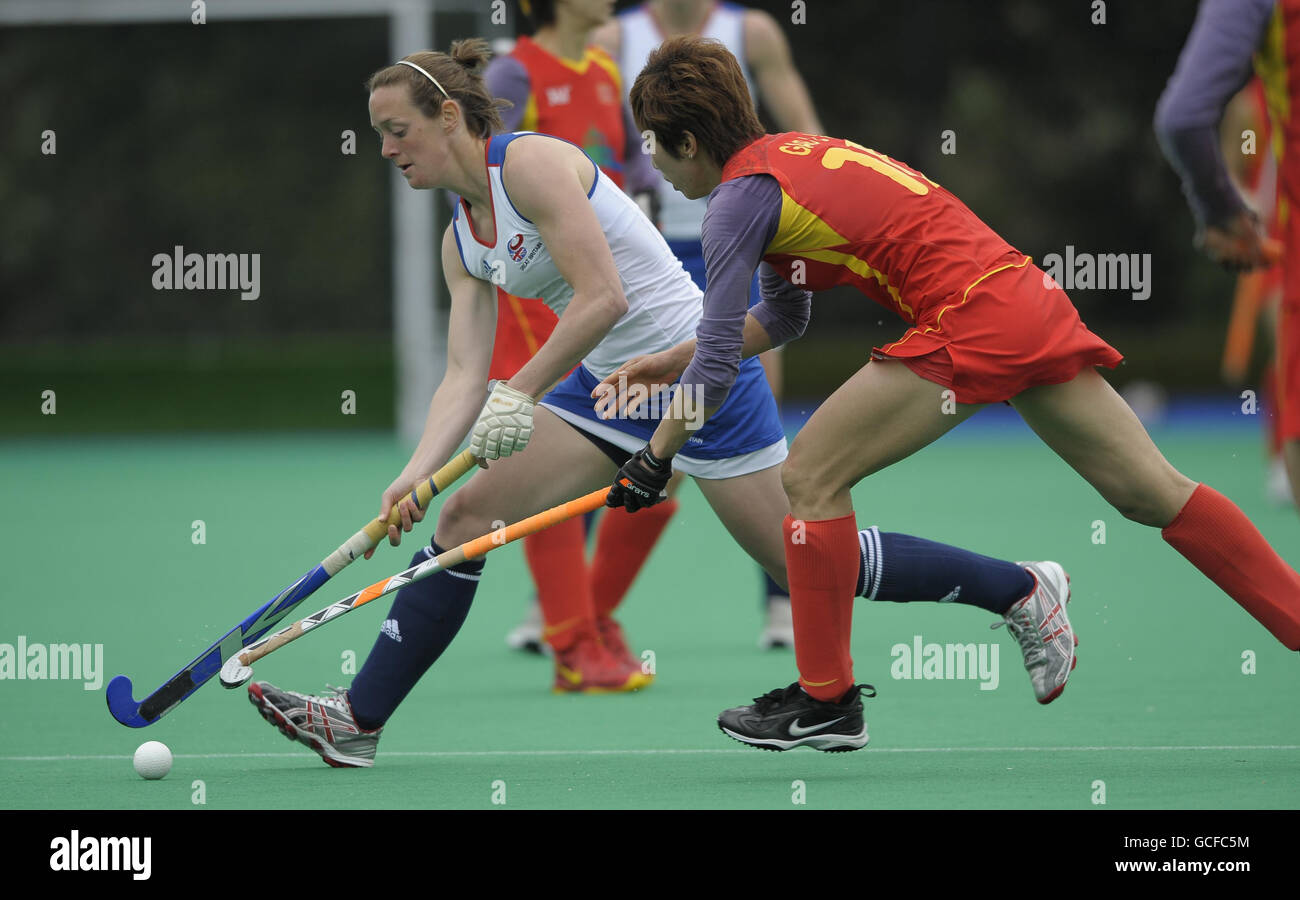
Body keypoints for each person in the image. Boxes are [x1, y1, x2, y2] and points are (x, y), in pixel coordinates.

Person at [247, 40, 1080, 768]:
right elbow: (463, 373)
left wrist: (521, 391)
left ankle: (1018, 589)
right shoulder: (460, 238)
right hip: (604, 388)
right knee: (461, 518)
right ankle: (357, 721)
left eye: (397, 131)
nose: (387, 149)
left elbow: (603, 297)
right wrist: (413, 476)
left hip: (693, 371)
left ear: (448, 117)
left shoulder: (530, 165)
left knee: (804, 561)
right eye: (379, 136)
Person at [600, 36, 1300, 753]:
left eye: (653, 144)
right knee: (1151, 492)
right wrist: (670, 361)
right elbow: (784, 314)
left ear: (688, 140)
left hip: (971, 316)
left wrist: (655, 457)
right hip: (1021, 297)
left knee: (810, 475)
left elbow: (718, 370)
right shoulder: (782, 163)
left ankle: (827, 700)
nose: (648, 160)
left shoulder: (734, 203)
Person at [595, 0, 825, 647]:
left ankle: (787, 595)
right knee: (615, 418)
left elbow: (807, 131)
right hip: (652, 252)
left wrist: (659, 453)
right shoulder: (618, 36)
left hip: (736, 239)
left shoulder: (748, 32)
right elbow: (591, 136)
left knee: (762, 433)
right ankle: (577, 607)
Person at [482, 0, 672, 686]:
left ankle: (592, 619)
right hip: (546, 305)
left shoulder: (600, 67)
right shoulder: (515, 72)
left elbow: (635, 165)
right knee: (552, 474)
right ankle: (571, 643)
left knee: (666, 469)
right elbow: (483, 180)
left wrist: (646, 200)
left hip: (614, 298)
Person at [1155, 0, 1295, 504]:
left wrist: (1219, 213)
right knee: (1282, 344)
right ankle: (1278, 452)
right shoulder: (1250, 107)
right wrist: (1242, 202)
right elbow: (1236, 165)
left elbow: (1183, 118)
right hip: (1278, 246)